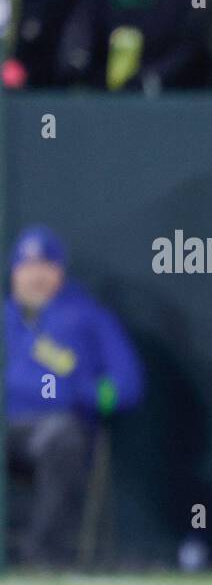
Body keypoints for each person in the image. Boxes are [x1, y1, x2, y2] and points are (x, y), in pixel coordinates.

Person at [5, 226, 144, 566]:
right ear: (14, 272)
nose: (35, 275)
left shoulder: (88, 318)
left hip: (55, 429)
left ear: (59, 271)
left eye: (44, 266)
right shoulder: (4, 318)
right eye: (26, 266)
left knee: (62, 437)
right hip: (6, 425)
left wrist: (85, 396)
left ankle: (43, 557)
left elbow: (127, 386)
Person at [60, 0, 207, 91]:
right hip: (101, 81)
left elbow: (190, 41)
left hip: (166, 87)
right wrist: (77, 56)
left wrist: (154, 76)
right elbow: (82, 20)